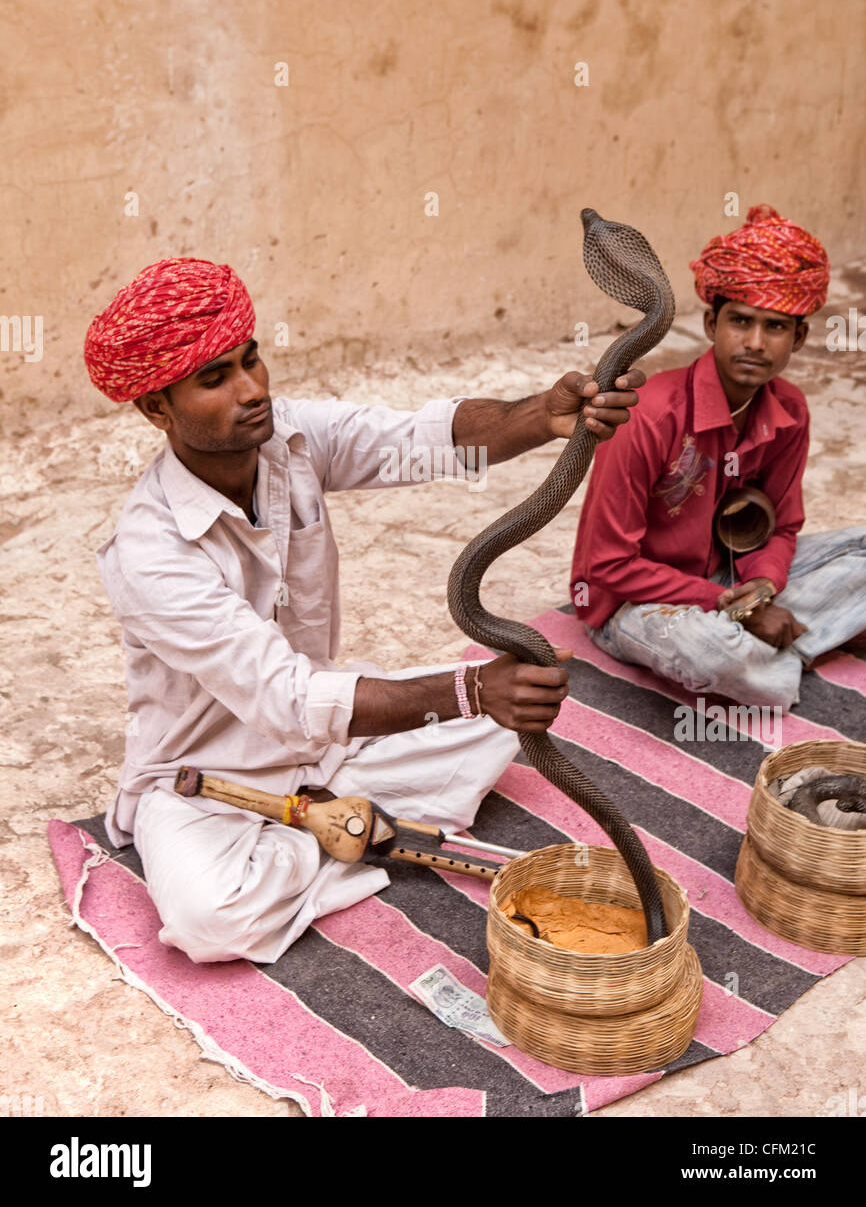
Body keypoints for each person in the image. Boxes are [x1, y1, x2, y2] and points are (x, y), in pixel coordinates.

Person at [84, 256, 644, 963]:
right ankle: (341, 836)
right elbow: (286, 699)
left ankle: (326, 819)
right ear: (155, 408)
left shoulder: (290, 438)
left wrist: (541, 416)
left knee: (506, 719)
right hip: (207, 783)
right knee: (209, 921)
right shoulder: (148, 550)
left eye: (251, 361)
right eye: (215, 378)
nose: (252, 389)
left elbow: (420, 440)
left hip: (326, 742)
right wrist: (469, 690)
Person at [570, 204, 866, 713]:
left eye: (775, 328)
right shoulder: (649, 417)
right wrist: (734, 608)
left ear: (798, 339)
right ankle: (784, 651)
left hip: (730, 580)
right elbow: (609, 564)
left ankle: (770, 655)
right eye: (741, 322)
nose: (754, 343)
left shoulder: (790, 409)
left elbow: (782, 528)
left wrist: (759, 590)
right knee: (708, 650)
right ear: (711, 323)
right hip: (637, 602)